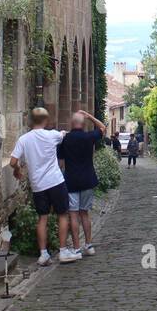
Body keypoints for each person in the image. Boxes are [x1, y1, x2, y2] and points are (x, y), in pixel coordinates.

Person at [9, 107, 81, 266]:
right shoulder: (52, 135)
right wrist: (62, 132)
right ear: (46, 121)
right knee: (63, 214)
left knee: (42, 218)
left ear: (31, 120)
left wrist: (17, 170)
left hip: (38, 185)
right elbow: (63, 135)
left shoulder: (24, 139)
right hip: (55, 181)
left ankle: (43, 254)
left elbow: (12, 162)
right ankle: (63, 251)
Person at [58, 109, 105, 256]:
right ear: (83, 124)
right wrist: (90, 116)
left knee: (73, 215)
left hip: (71, 180)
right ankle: (89, 245)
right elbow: (103, 128)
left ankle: (77, 247)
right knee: (85, 213)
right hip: (87, 179)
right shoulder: (88, 137)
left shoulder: (65, 139)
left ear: (72, 123)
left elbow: (60, 160)